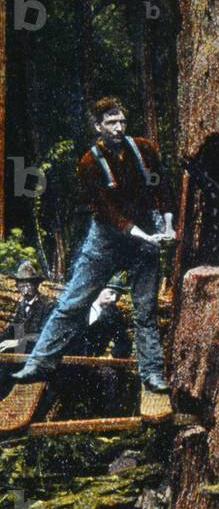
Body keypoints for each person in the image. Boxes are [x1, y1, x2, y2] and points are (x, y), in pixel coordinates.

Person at [11, 97, 175, 392]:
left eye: (122, 121)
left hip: (145, 235)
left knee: (145, 309)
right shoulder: (89, 163)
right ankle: (39, 363)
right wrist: (142, 234)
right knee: (72, 303)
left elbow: (162, 188)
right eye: (111, 123)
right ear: (98, 126)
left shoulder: (144, 149)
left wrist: (168, 226)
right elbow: (108, 210)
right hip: (107, 239)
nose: (118, 128)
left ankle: (152, 374)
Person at [56, 275, 133, 413]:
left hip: (95, 363)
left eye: (118, 296)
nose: (114, 299)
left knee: (111, 377)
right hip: (70, 361)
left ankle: (105, 425)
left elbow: (124, 342)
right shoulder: (80, 307)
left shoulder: (115, 315)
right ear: (100, 289)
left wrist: (110, 357)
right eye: (111, 293)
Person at [0, 260, 55, 354]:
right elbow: (11, 330)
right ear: (17, 285)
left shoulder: (48, 305)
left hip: (39, 356)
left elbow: (46, 335)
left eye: (28, 282)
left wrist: (18, 342)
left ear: (36, 284)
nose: (24, 286)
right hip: (21, 356)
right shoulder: (22, 306)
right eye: (21, 282)